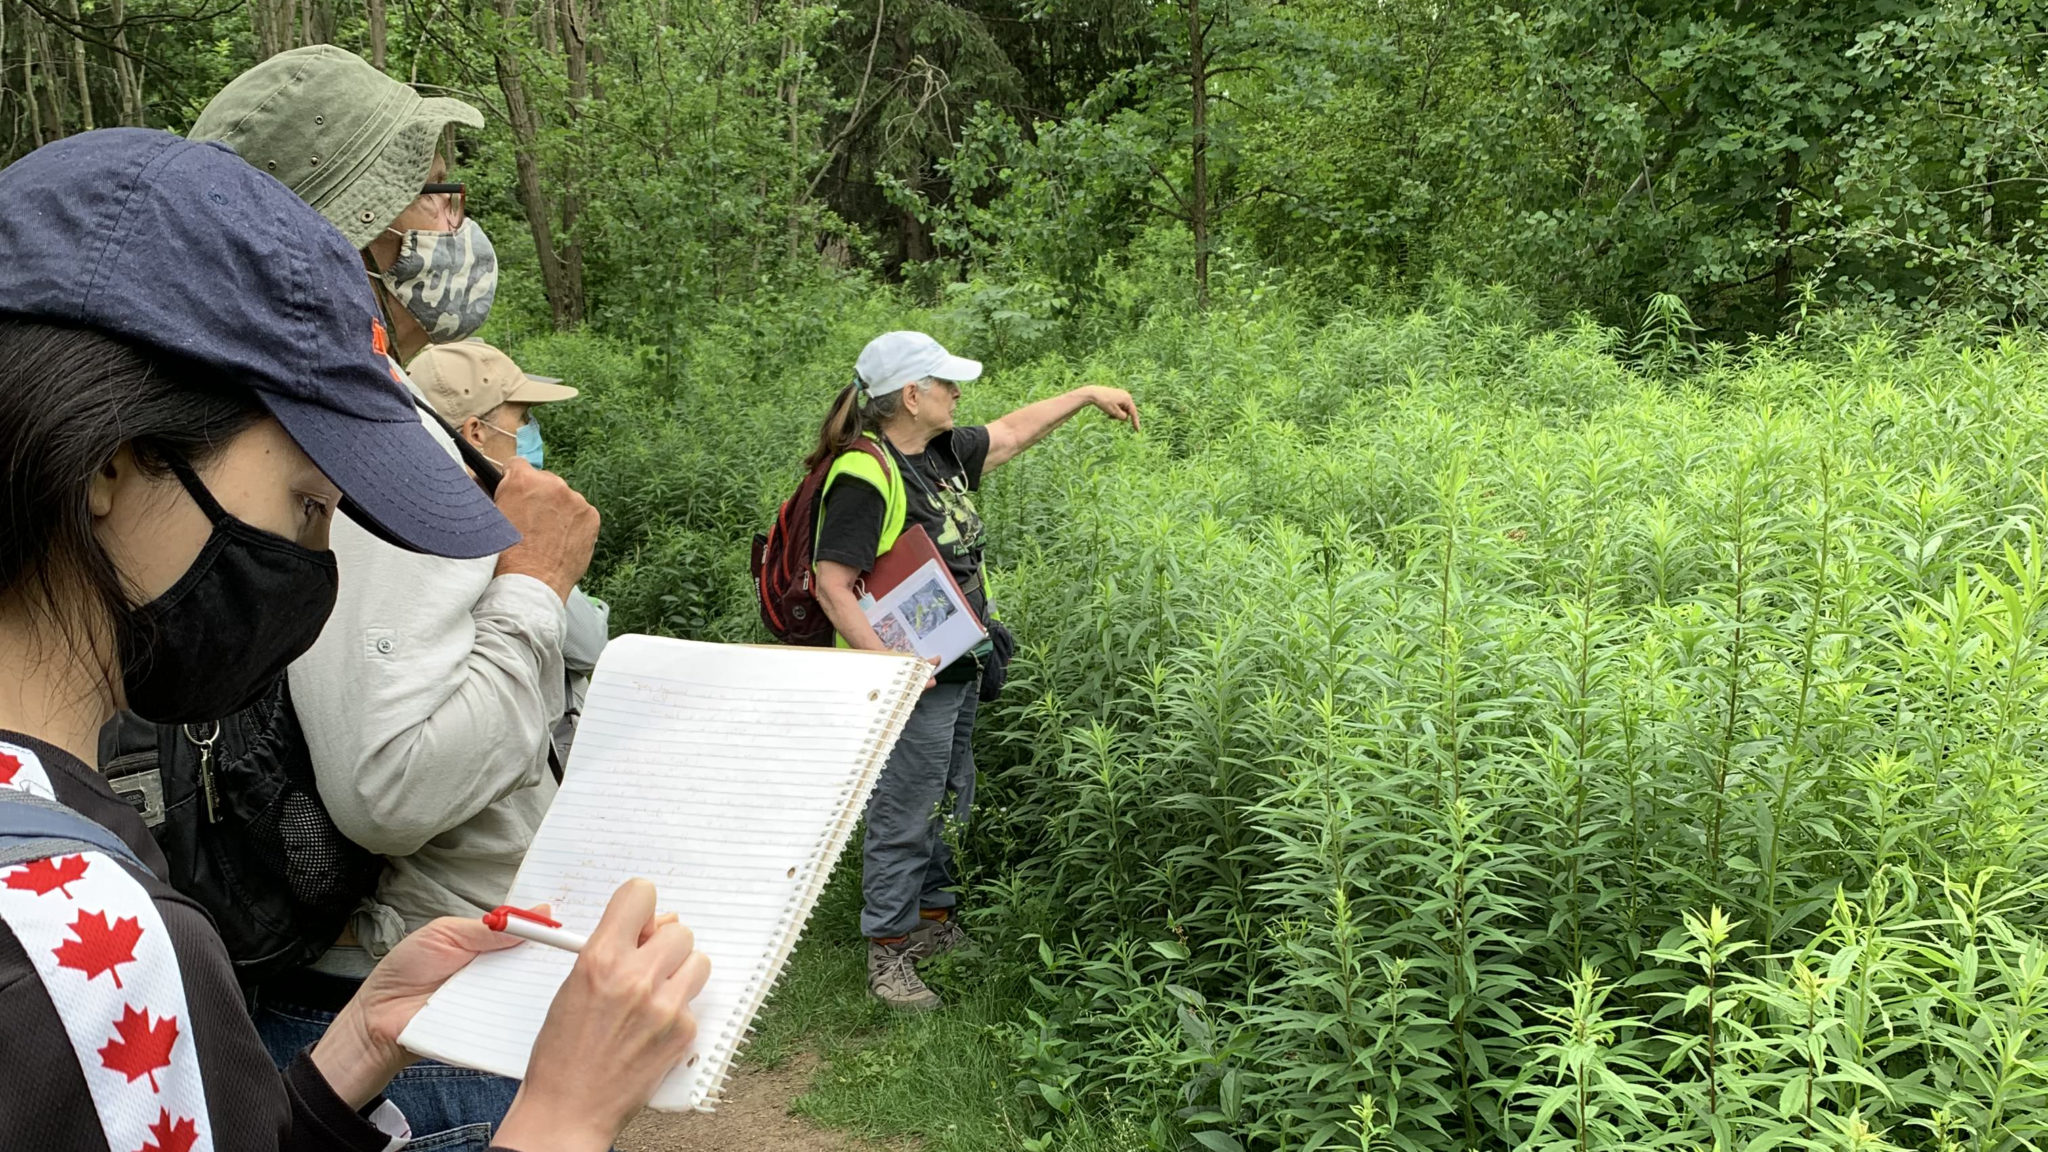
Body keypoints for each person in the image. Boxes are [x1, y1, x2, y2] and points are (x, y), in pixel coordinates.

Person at [0, 128, 707, 1152]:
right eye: (306, 506)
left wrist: (330, 1082)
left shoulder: (60, 839)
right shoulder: (84, 946)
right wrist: (560, 1118)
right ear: (112, 462)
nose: (313, 566)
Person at [187, 46, 602, 1136]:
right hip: (423, 1015)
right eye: (420, 192)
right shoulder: (347, 432)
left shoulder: (226, 416)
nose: (439, 224)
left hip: (363, 989)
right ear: (358, 231)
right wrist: (535, 588)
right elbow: (392, 786)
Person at [808, 331, 1139, 1011]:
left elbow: (1015, 431)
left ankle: (933, 924)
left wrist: (1084, 395)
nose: (958, 393)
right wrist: (893, 668)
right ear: (911, 394)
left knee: (950, 795)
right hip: (905, 680)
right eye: (946, 383)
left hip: (955, 664)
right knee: (906, 808)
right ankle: (889, 953)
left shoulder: (941, 453)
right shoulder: (865, 474)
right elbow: (830, 585)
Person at [410, 339, 611, 756]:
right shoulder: (499, 523)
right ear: (475, 433)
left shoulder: (415, 512)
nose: (532, 430)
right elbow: (588, 644)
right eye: (524, 417)